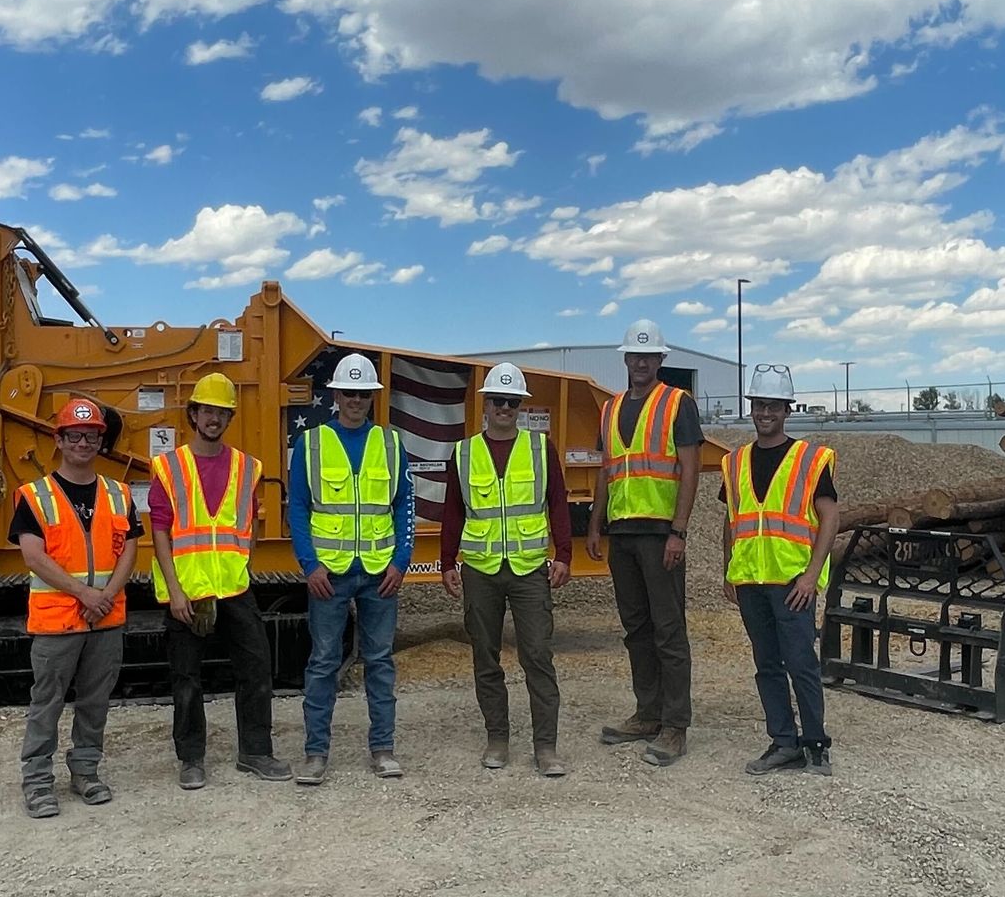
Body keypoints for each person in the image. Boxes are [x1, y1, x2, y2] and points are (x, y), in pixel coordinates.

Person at [148, 372, 293, 791]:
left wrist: (240, 568)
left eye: (222, 412)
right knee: (187, 678)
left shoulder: (247, 468)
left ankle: (255, 752)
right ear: (193, 414)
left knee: (256, 669)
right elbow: (160, 530)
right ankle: (191, 758)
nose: (214, 418)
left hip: (234, 588)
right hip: (188, 591)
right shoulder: (169, 466)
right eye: (207, 410)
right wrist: (175, 591)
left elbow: (249, 527)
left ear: (229, 417)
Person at [288, 352, 414, 783]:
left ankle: (383, 749)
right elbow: (299, 508)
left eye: (364, 393)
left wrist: (401, 562)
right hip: (330, 576)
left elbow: (404, 507)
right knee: (323, 662)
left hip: (380, 574)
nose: (356, 399)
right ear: (336, 395)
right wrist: (310, 565)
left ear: (372, 397)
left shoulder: (392, 444)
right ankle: (315, 754)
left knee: (380, 662)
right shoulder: (311, 444)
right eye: (349, 392)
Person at [439, 363, 571, 777]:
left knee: (537, 657)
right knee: (486, 657)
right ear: (486, 403)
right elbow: (453, 512)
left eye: (512, 402)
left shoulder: (539, 448)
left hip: (530, 568)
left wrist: (564, 554)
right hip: (480, 570)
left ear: (521, 406)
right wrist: (446, 563)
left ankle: (545, 748)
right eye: (498, 400)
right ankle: (498, 739)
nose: (504, 408)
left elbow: (559, 503)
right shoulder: (464, 452)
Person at [11, 395, 140, 819]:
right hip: (57, 623)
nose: (83, 443)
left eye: (91, 436)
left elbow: (130, 551)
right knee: (46, 703)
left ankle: (86, 771)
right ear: (60, 440)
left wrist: (103, 597)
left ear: (99, 442)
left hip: (105, 620)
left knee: (95, 702)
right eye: (75, 436)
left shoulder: (119, 494)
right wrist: (86, 595)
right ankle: (37, 782)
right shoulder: (34, 495)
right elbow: (34, 556)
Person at [584, 319, 703, 767]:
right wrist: (595, 524)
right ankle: (647, 713)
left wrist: (679, 531)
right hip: (623, 533)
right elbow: (605, 471)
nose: (639, 362)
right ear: (626, 359)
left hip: (660, 533)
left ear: (660, 360)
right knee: (637, 628)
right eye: (634, 356)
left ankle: (676, 725)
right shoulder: (611, 408)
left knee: (669, 629)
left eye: (647, 356)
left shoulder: (677, 403)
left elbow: (689, 469)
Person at [721, 364, 838, 777]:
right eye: (758, 405)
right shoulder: (734, 462)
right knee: (767, 665)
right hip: (751, 582)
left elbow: (830, 517)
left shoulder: (809, 459)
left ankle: (816, 744)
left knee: (800, 663)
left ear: (787, 410)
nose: (764, 413)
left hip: (792, 584)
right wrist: (727, 571)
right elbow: (731, 520)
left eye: (772, 405)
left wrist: (811, 575)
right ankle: (783, 743)